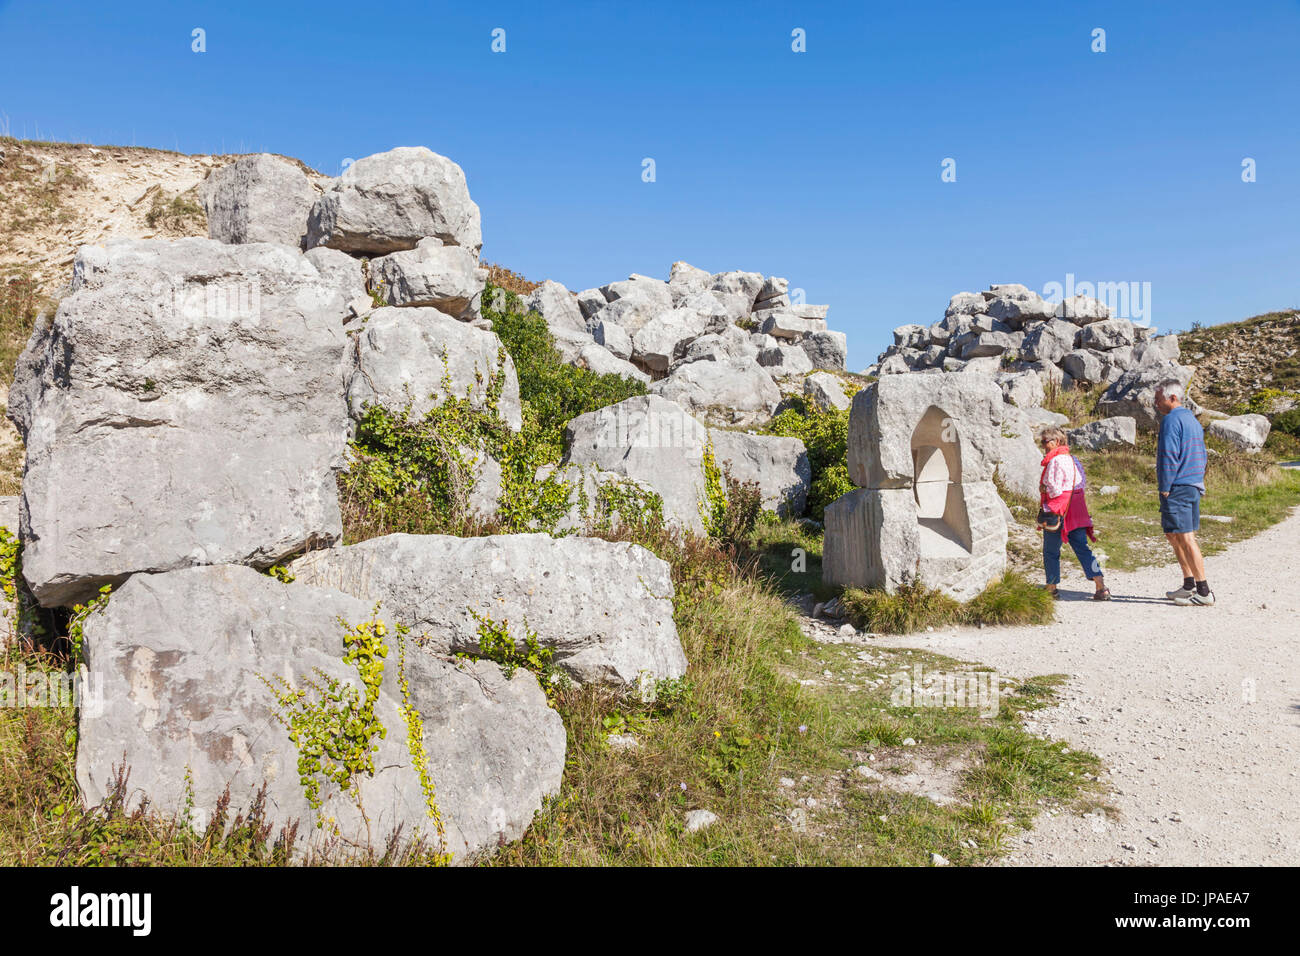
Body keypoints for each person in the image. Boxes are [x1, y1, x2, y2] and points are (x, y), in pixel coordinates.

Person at [1154, 379, 1213, 606]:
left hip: (1177, 486)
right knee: (1174, 534)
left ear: (1172, 398)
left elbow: (1169, 454)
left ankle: (1204, 591)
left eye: (1158, 399)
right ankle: (1189, 584)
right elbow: (1202, 455)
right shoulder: (1193, 421)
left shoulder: (1171, 420)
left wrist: (1165, 486)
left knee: (1186, 537)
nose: (1156, 403)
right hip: (1192, 485)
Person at [1037, 426, 1109, 600]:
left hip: (1059, 509)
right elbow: (1080, 482)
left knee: (1051, 550)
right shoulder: (1072, 459)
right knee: (1082, 547)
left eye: (1046, 441)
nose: (1044, 445)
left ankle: (1051, 587)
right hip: (1076, 508)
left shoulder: (1054, 461)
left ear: (1057, 442)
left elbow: (1055, 489)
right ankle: (1101, 586)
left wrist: (1043, 488)